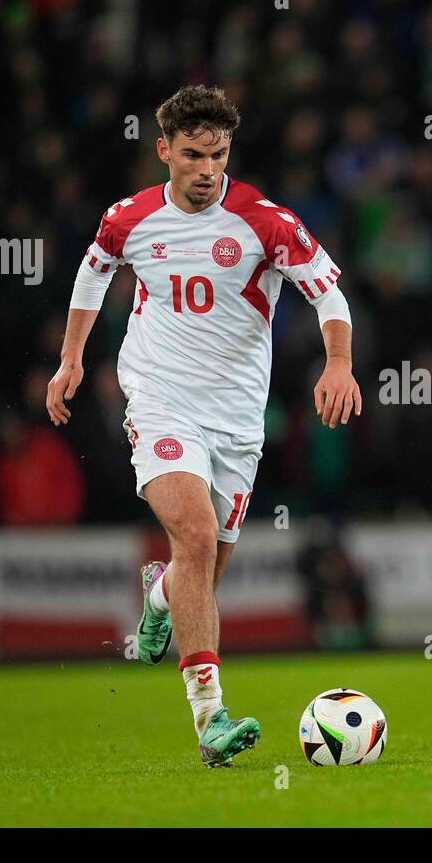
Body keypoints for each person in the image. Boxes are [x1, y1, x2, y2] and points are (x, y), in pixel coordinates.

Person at [46, 85, 361, 767]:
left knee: (199, 572)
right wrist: (71, 358)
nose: (206, 169)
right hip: (160, 399)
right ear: (165, 152)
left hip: (237, 423)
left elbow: (328, 291)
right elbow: (92, 273)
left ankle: (158, 595)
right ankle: (211, 721)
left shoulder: (266, 221)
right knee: (191, 535)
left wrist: (338, 363)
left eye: (218, 154)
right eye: (192, 155)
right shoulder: (129, 218)